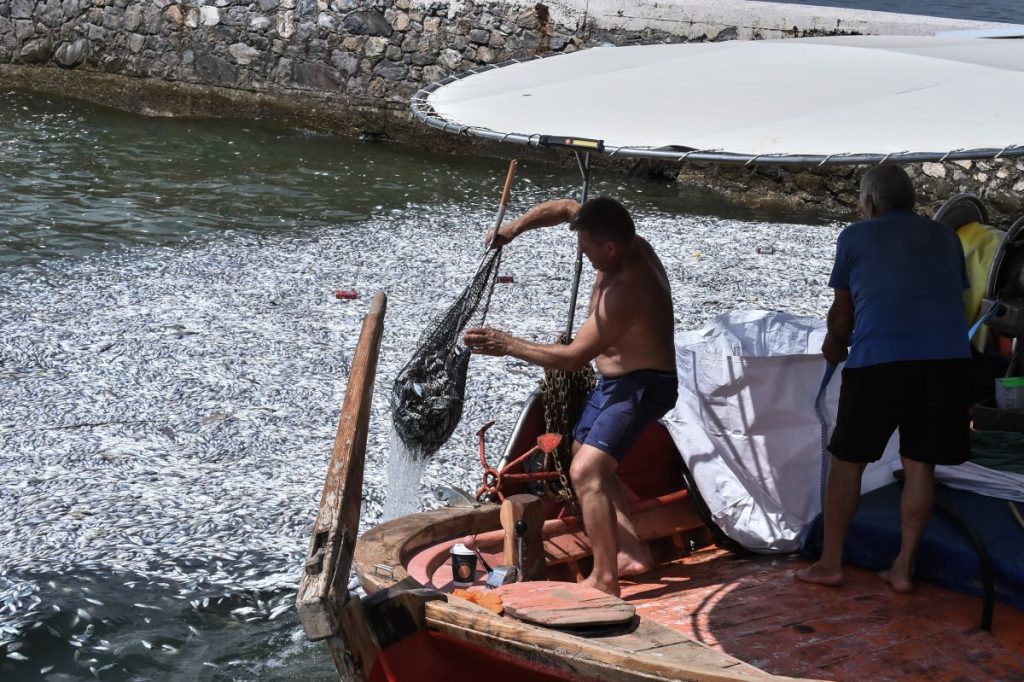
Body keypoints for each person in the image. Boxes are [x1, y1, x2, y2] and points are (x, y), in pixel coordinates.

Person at [463, 196, 677, 597]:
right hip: (615, 381)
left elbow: (574, 358)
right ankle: (631, 552)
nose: (580, 250)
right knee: (582, 451)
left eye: (587, 245)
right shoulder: (617, 239)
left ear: (610, 248)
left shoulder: (627, 288)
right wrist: (511, 231)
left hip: (644, 383)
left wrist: (505, 343)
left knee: (586, 472)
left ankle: (605, 579)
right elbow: (564, 207)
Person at [797, 165, 971, 593]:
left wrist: (835, 346)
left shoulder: (855, 235)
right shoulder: (946, 236)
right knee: (919, 465)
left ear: (870, 203)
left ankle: (830, 563)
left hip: (882, 361)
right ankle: (903, 569)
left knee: (848, 461)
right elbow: (952, 300)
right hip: (947, 360)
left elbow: (843, 313)